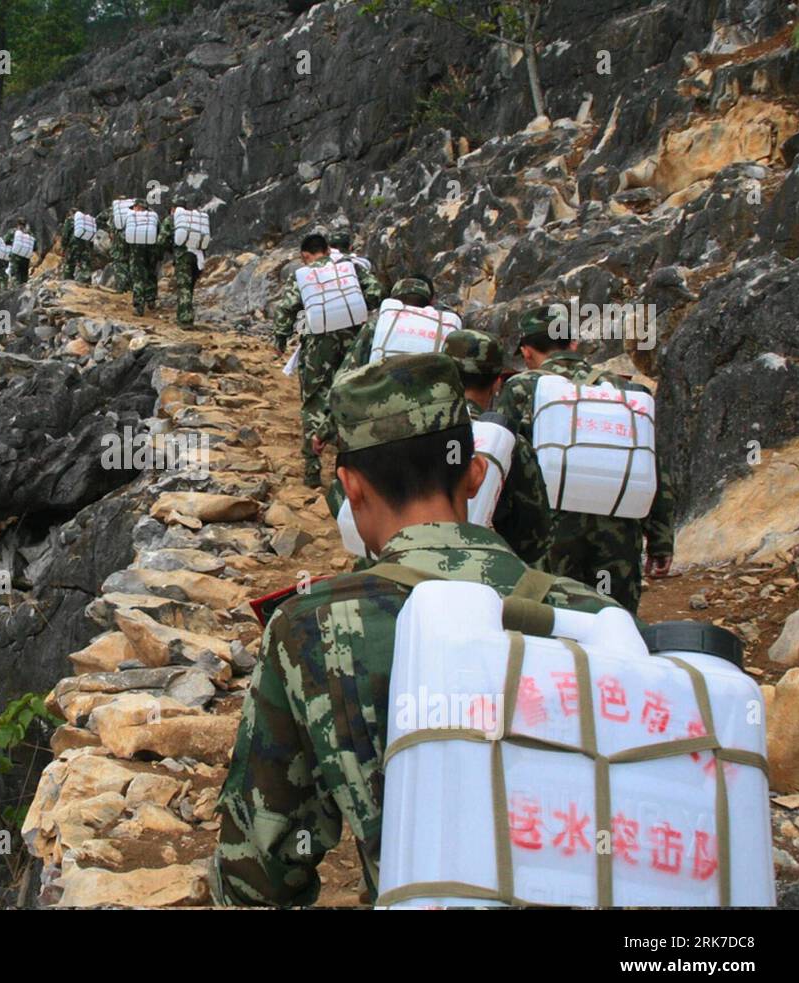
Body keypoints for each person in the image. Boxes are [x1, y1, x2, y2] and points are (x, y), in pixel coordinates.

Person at [211, 354, 623, 907]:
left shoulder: (313, 626)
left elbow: (261, 865)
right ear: (475, 474)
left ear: (350, 486)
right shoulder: (597, 619)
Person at [495, 304, 675, 613]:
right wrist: (660, 540)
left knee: (551, 621)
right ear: (574, 344)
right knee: (615, 621)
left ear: (526, 352)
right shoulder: (623, 388)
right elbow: (653, 464)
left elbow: (503, 456)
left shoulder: (522, 388)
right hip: (619, 527)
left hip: (548, 530)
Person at [272, 232, 383, 487]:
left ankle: (312, 470)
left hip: (317, 344)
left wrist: (280, 338)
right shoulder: (349, 268)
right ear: (328, 249)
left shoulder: (303, 276)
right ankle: (345, 472)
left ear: (305, 255)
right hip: (352, 340)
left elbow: (287, 308)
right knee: (349, 396)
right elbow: (377, 293)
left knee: (313, 401)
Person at [443, 327, 552, 567]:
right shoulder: (513, 445)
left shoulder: (414, 430)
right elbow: (533, 539)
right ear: (497, 383)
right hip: (482, 576)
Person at [158, 202, 204, 329]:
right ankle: (184, 315)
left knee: (183, 287)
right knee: (189, 287)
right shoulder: (194, 218)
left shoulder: (172, 219)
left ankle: (185, 320)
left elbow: (162, 240)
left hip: (182, 257)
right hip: (198, 258)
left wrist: (170, 249)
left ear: (173, 208)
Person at [124, 198, 160, 316]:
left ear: (136, 207)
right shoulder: (153, 218)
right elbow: (160, 233)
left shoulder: (131, 219)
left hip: (136, 253)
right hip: (151, 252)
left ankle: (139, 306)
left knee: (138, 278)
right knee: (151, 275)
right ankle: (151, 301)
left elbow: (124, 237)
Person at [98, 198, 132, 293]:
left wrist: (108, 230)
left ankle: (121, 289)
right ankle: (131, 288)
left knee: (119, 264)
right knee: (131, 263)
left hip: (118, 241)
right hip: (132, 241)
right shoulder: (134, 210)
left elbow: (99, 219)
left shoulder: (113, 210)